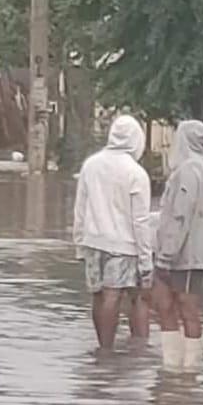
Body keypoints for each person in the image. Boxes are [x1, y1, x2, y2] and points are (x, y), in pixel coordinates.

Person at [73, 114, 153, 350]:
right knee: (114, 296)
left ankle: (102, 348)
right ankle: (109, 352)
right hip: (123, 245)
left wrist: (79, 242)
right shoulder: (136, 173)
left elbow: (80, 206)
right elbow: (141, 220)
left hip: (93, 240)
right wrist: (146, 259)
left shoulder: (91, 165)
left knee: (98, 295)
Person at [154, 120, 203, 372]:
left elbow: (180, 214)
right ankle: (173, 367)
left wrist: (165, 255)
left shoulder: (189, 171)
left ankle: (189, 368)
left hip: (186, 253)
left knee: (187, 306)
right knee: (167, 304)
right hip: (188, 251)